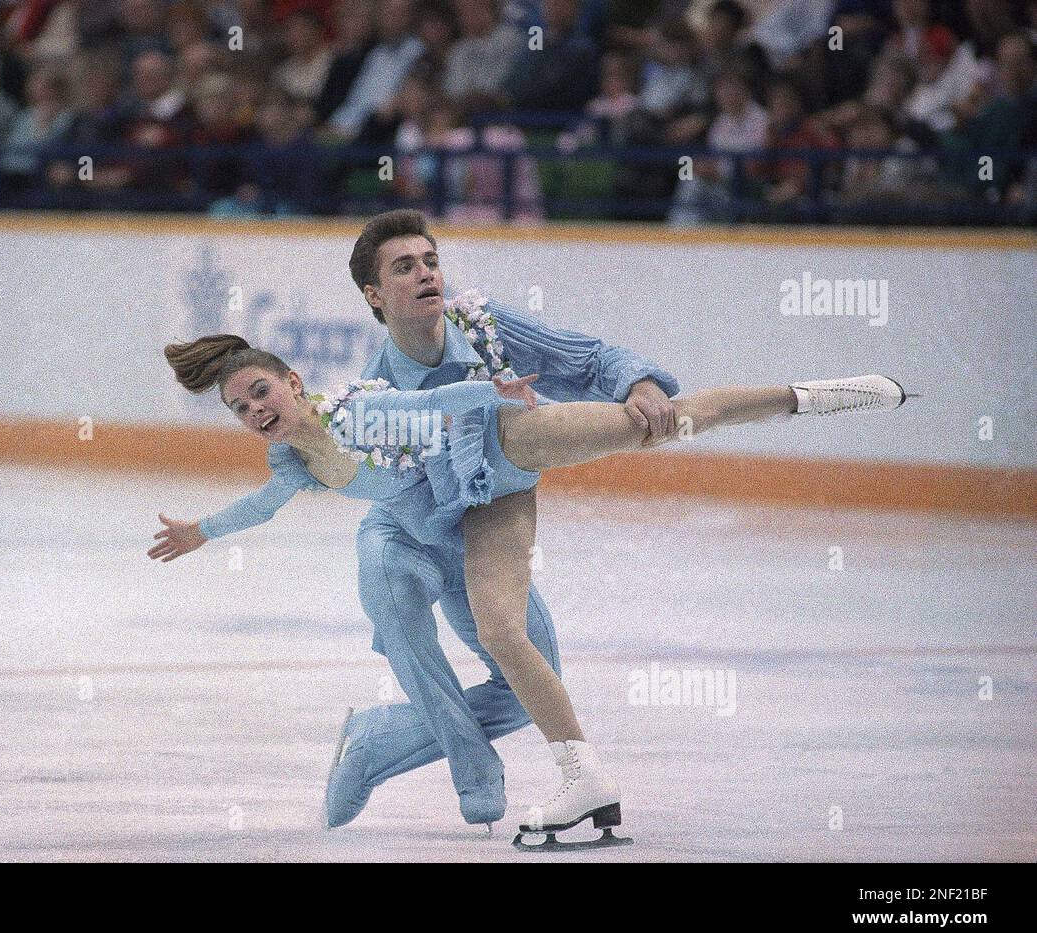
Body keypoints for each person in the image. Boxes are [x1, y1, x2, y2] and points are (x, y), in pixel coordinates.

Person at [149, 217, 910, 844]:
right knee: (496, 638)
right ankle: (576, 776)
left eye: (430, 260)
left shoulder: (450, 346)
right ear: (374, 296)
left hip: (506, 460)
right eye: (405, 267)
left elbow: (561, 365)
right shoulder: (344, 413)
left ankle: (812, 397)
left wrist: (624, 382)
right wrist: (202, 532)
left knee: (660, 426)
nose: (425, 273)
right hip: (432, 523)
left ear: (290, 381)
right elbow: (272, 500)